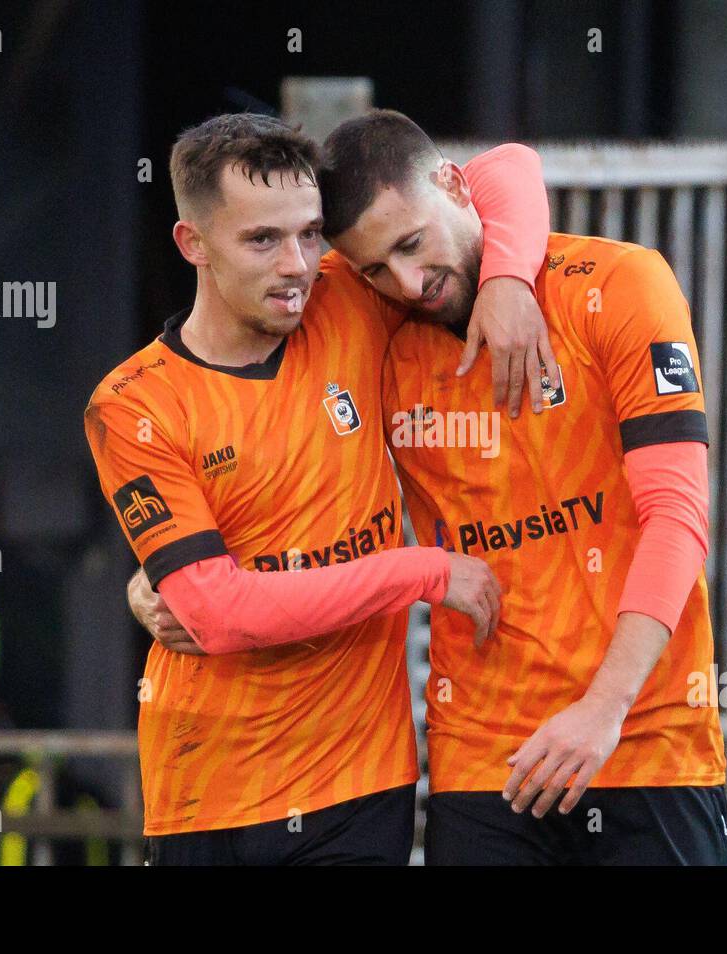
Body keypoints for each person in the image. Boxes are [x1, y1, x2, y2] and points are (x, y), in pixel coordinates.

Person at [132, 109, 727, 865]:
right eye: (378, 266)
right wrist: (165, 570)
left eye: (413, 244)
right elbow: (264, 456)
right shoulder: (377, 318)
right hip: (484, 759)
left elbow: (677, 516)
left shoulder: (620, 284)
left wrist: (604, 707)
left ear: (452, 185)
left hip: (645, 737)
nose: (409, 282)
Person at [84, 112, 553, 865]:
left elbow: (507, 167)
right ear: (192, 244)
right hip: (207, 789)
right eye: (262, 239)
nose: (299, 262)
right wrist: (422, 570)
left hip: (355, 788)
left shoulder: (348, 295)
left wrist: (503, 280)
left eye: (309, 233)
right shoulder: (133, 403)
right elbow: (220, 613)